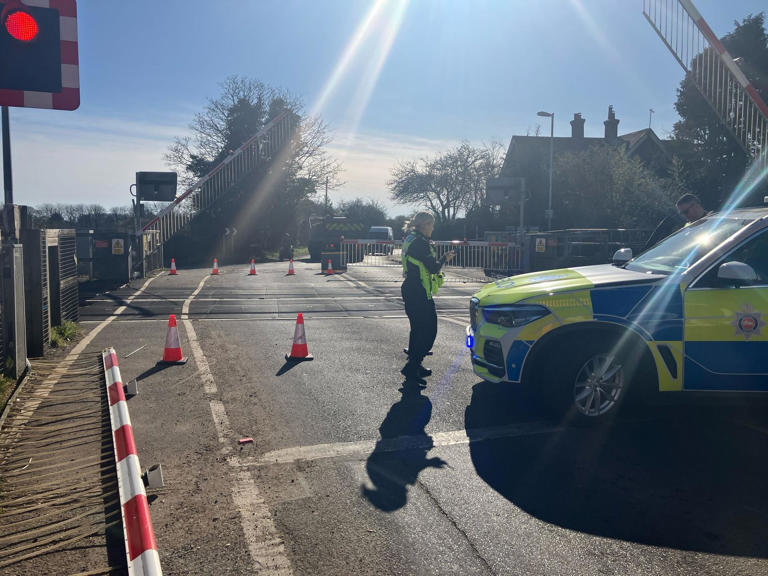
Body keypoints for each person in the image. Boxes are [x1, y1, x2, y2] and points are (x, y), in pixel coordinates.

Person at [400, 212, 455, 380]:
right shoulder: (420, 243)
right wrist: (444, 258)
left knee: (418, 329)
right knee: (429, 330)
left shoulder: (412, 239)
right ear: (424, 225)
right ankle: (412, 366)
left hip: (414, 289)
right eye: (431, 224)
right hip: (418, 291)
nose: (433, 228)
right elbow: (433, 267)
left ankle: (415, 364)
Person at [643, 192, 709, 251]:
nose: (685, 216)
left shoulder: (713, 223)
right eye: (682, 213)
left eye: (686, 212)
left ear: (695, 206)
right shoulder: (687, 226)